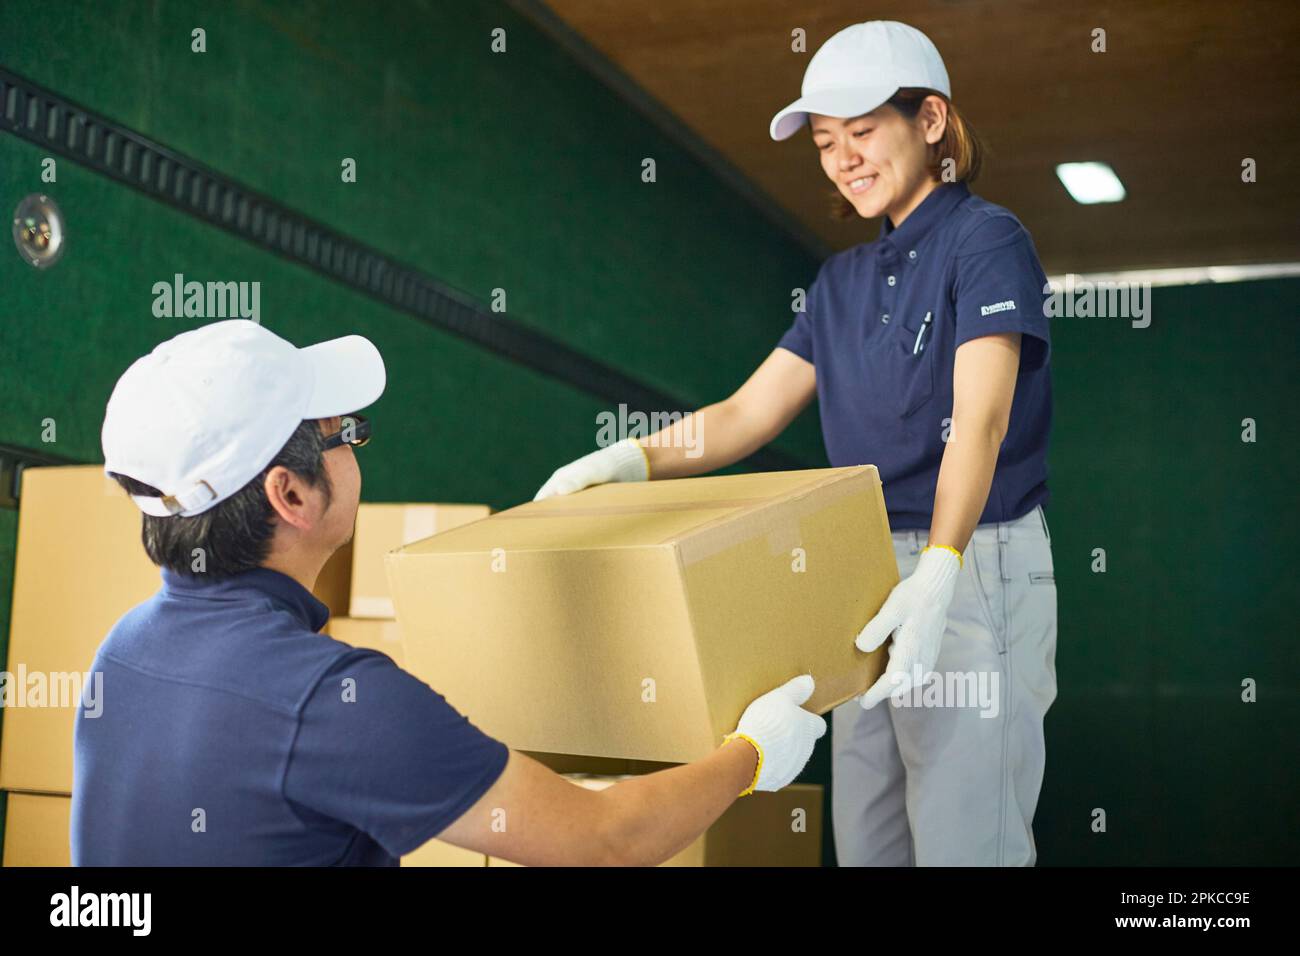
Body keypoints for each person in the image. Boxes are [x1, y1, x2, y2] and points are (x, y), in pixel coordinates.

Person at [534, 20, 1057, 866]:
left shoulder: (986, 240)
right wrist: (628, 458)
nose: (842, 158)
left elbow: (982, 420)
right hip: (857, 573)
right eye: (824, 143)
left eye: (862, 132)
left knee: (968, 842)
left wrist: (942, 569)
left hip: (973, 566)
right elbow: (745, 415)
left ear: (930, 122)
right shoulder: (838, 280)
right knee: (868, 840)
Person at [71, 319, 825, 866]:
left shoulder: (122, 650)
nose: (357, 446)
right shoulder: (332, 701)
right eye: (346, 434)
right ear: (290, 495)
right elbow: (606, 841)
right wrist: (751, 755)